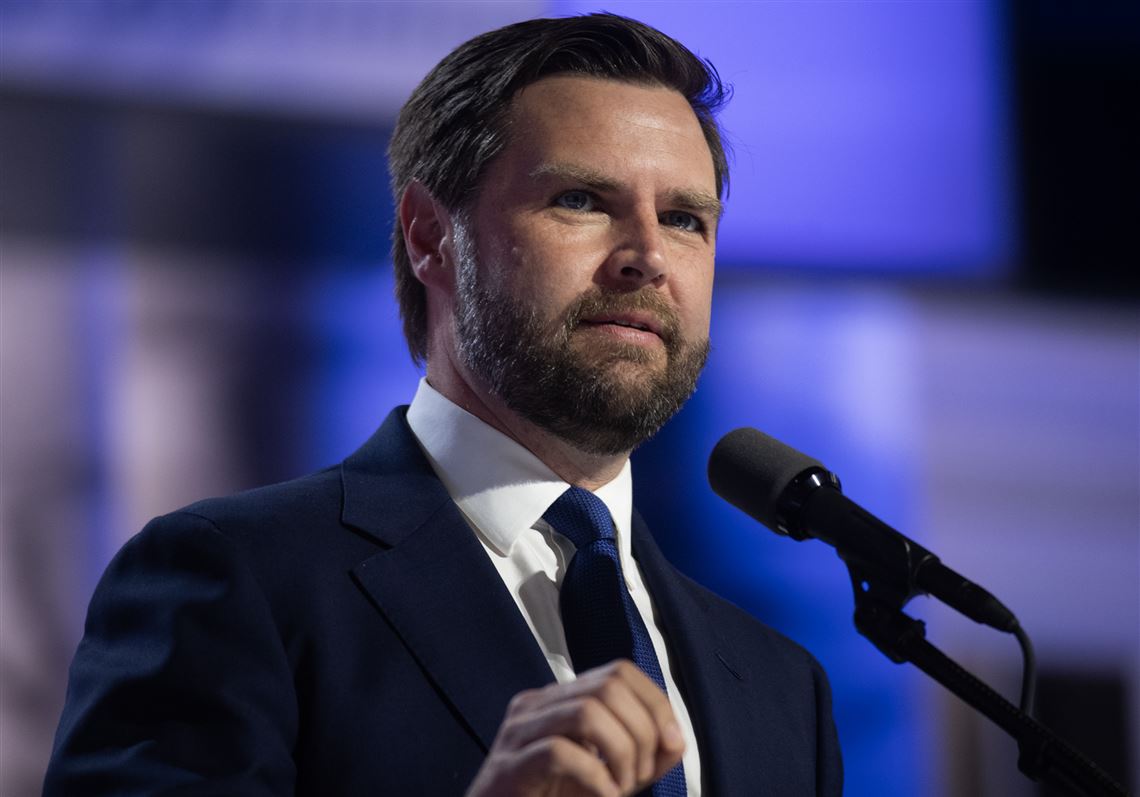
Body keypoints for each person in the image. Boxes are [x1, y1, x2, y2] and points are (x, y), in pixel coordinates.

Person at [44, 13, 841, 796]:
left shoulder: (784, 690)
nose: (648, 257)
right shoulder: (232, 579)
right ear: (430, 235)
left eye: (683, 219)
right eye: (580, 200)